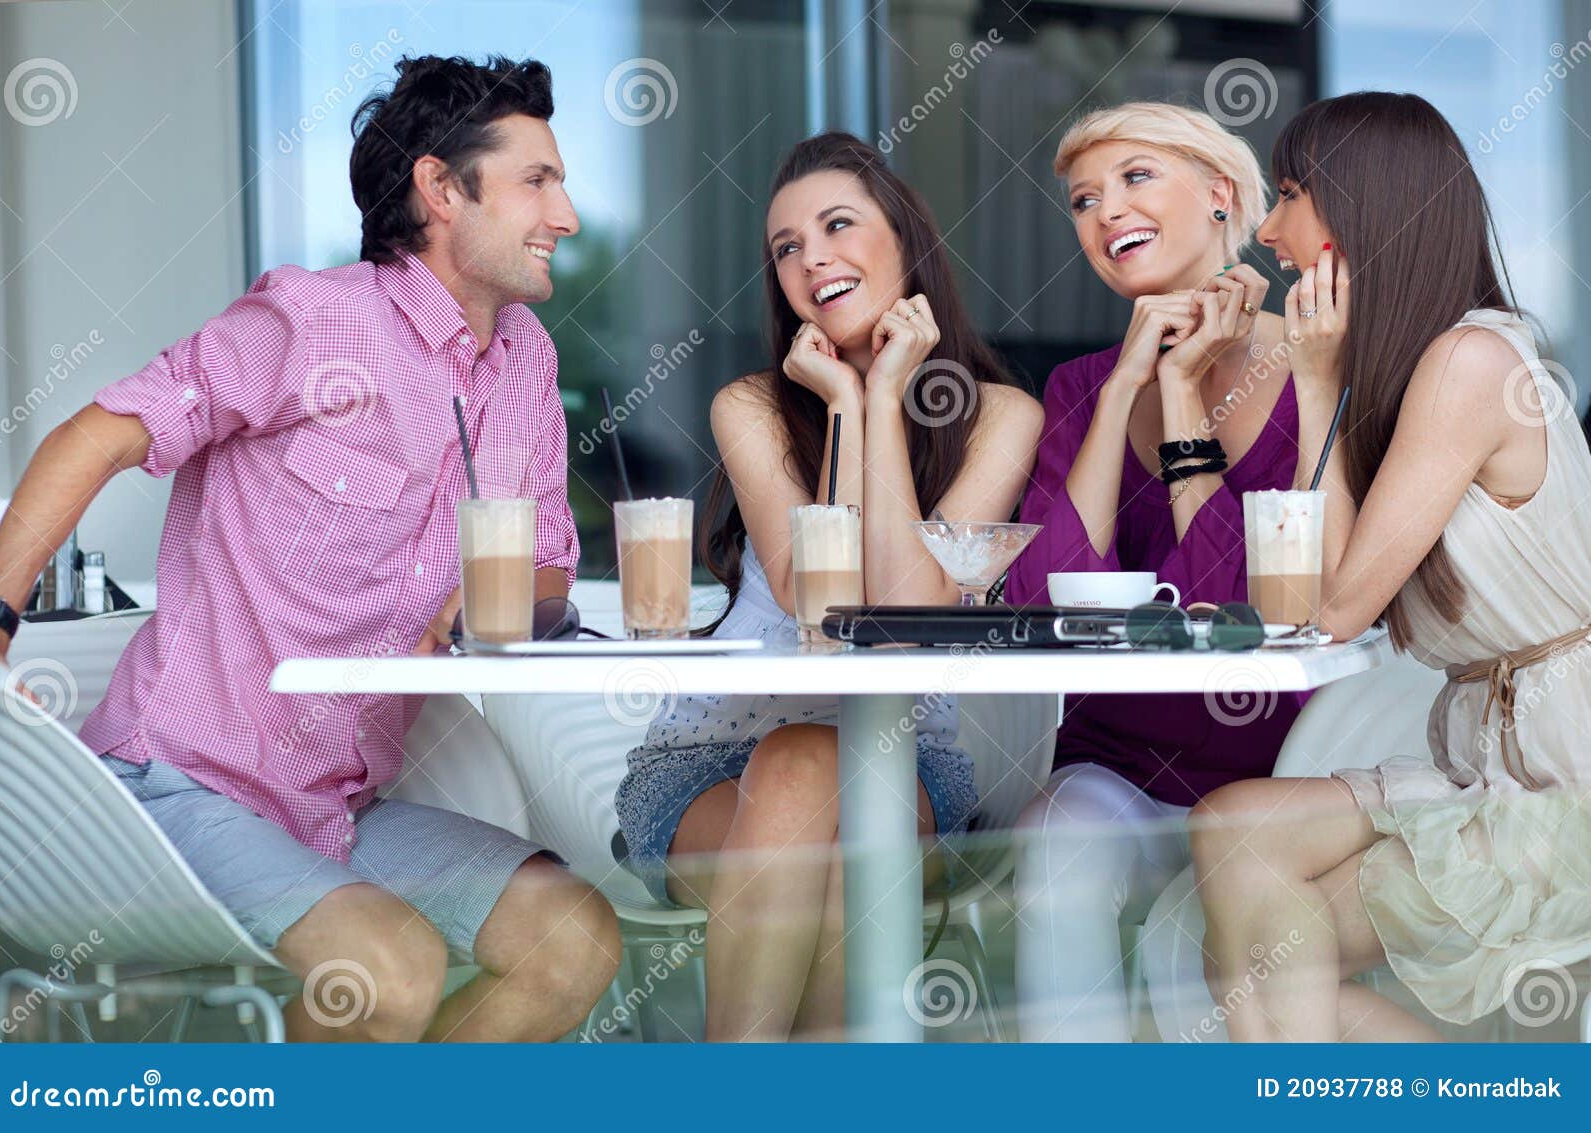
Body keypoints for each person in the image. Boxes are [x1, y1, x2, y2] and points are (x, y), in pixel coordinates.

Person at [0, 55, 619, 1042]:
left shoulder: (525, 360)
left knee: (573, 937)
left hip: (340, 804)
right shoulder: (312, 320)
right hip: (180, 783)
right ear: (441, 189)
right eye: (538, 179)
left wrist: (492, 612)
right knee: (389, 966)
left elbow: (544, 559)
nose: (567, 213)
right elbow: (98, 433)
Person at [614, 132, 1043, 1041]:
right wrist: (845, 405)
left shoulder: (1002, 416)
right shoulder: (754, 406)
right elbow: (824, 603)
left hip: (903, 764)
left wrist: (883, 399)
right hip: (708, 771)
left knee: (826, 786)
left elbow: (907, 616)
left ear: (905, 239)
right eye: (786, 248)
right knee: (807, 768)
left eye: (837, 225)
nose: (812, 260)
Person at [1190, 91, 1591, 1041]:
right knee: (1228, 833)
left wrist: (1317, 377)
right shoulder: (1427, 368)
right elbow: (1313, 595)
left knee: (1255, 956)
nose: (1270, 227)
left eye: (1291, 193)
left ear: (1368, 208)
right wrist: (1322, 380)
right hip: (1487, 762)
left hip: (1564, 782)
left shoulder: (1468, 364)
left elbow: (1328, 609)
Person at [1001, 102, 1320, 1041]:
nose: (1106, 212)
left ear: (1222, 193)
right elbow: (1045, 600)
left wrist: (1183, 395)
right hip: (1122, 767)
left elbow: (1234, 612)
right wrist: (1128, 387)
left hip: (1289, 768)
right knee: (1058, 845)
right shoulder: (1079, 385)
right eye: (1084, 199)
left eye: (1137, 178)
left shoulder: (1321, 369)